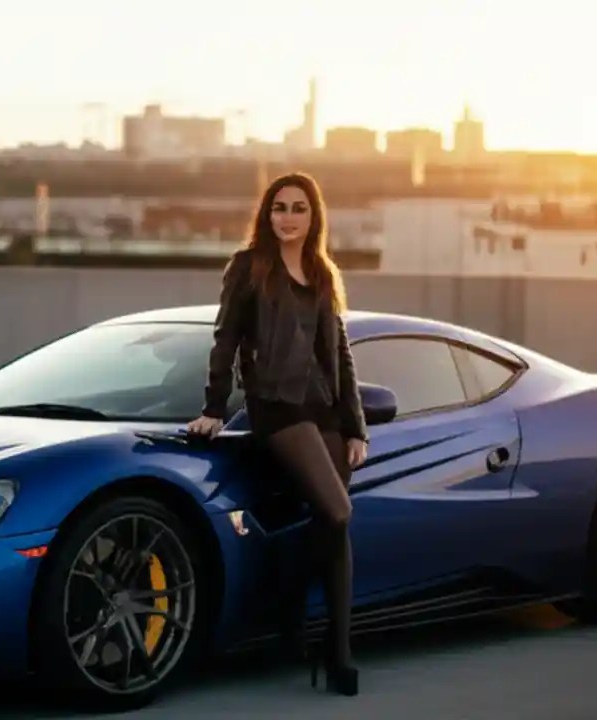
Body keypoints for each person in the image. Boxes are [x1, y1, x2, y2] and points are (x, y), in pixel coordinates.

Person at [185, 171, 367, 696]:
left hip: (326, 411)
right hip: (277, 408)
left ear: (315, 217)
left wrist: (355, 425)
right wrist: (214, 408)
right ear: (267, 215)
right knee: (337, 512)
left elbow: (342, 355)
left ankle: (336, 650)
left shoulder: (322, 272)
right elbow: (226, 338)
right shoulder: (249, 267)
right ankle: (291, 614)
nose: (287, 217)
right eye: (279, 208)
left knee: (333, 532)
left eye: (298, 208)